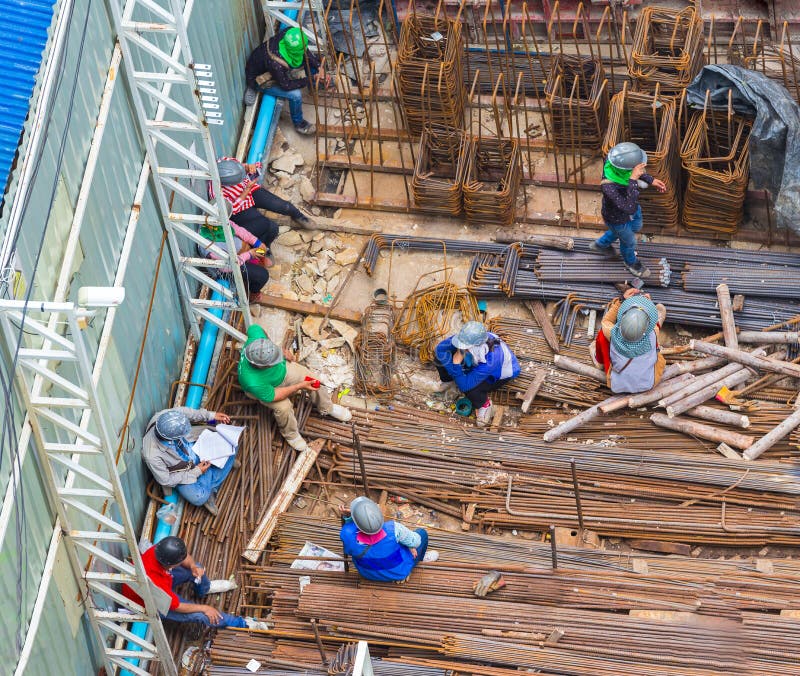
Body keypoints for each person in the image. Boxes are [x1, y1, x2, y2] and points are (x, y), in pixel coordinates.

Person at [237, 324, 352, 451]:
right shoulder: (252, 381)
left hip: (281, 373)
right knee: (284, 408)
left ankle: (327, 407)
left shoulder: (257, 338)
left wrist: (278, 350)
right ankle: (291, 435)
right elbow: (275, 395)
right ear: (259, 365)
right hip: (267, 389)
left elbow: (254, 327)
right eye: (272, 362)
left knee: (313, 381)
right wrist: (299, 386)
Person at [122, 536, 269, 630]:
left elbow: (186, 559)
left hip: (161, 582)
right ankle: (244, 624)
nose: (183, 562)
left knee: (195, 567)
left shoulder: (160, 551)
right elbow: (178, 606)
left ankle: (204, 589)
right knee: (202, 615)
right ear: (170, 565)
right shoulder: (154, 582)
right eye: (178, 563)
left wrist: (193, 567)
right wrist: (205, 608)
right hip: (151, 601)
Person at [588, 142, 667, 279]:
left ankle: (601, 244)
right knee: (629, 241)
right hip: (617, 218)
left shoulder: (613, 160)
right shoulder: (609, 187)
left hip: (629, 207)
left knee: (636, 225)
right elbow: (628, 208)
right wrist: (633, 180)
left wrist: (651, 180)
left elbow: (632, 171)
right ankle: (631, 262)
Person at [210, 158, 314, 262]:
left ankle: (299, 216)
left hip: (251, 191)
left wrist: (249, 167)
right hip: (240, 209)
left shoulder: (225, 163)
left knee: (283, 206)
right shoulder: (216, 193)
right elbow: (233, 209)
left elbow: (256, 166)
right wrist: (246, 190)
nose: (242, 179)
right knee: (271, 228)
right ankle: (264, 251)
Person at [142, 408, 235, 516]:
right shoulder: (152, 455)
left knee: (231, 443)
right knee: (199, 497)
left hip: (193, 447)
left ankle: (214, 473)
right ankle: (216, 474)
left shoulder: (166, 417)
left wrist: (211, 415)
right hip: (183, 471)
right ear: (171, 438)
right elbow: (166, 480)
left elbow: (187, 412)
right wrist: (197, 471)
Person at [243, 26, 328, 135]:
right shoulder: (276, 64)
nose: (304, 50)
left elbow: (304, 51)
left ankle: (315, 87)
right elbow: (286, 85)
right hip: (259, 77)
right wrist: (311, 79)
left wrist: (318, 67)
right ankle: (299, 124)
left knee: (308, 60)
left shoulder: (289, 33)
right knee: (295, 95)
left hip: (272, 67)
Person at [434, 321, 520, 426]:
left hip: (499, 373)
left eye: (464, 348)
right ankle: (451, 379)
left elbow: (464, 386)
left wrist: (456, 363)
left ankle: (485, 405)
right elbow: (440, 349)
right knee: (440, 359)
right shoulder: (467, 337)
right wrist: (454, 370)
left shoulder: (491, 360)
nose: (461, 349)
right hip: (476, 360)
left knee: (472, 390)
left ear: (475, 348)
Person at [340, 496, 439, 582]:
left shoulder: (346, 534)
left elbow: (351, 528)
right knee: (422, 533)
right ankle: (420, 560)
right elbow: (416, 542)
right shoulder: (394, 529)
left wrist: (349, 516)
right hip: (398, 573)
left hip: (367, 574)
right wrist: (410, 546)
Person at [591, 288, 667, 394]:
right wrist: (647, 305)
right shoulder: (653, 333)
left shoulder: (612, 333)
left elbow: (606, 321)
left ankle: (600, 362)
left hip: (617, 385)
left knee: (601, 335)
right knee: (655, 343)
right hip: (648, 383)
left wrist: (621, 300)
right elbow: (652, 326)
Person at [201, 201, 271, 303]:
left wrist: (257, 243)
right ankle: (252, 294)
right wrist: (249, 254)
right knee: (263, 275)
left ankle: (260, 257)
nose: (227, 221)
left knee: (265, 225)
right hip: (227, 268)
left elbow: (239, 230)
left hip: (241, 252)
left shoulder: (220, 225)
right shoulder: (207, 244)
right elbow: (227, 266)